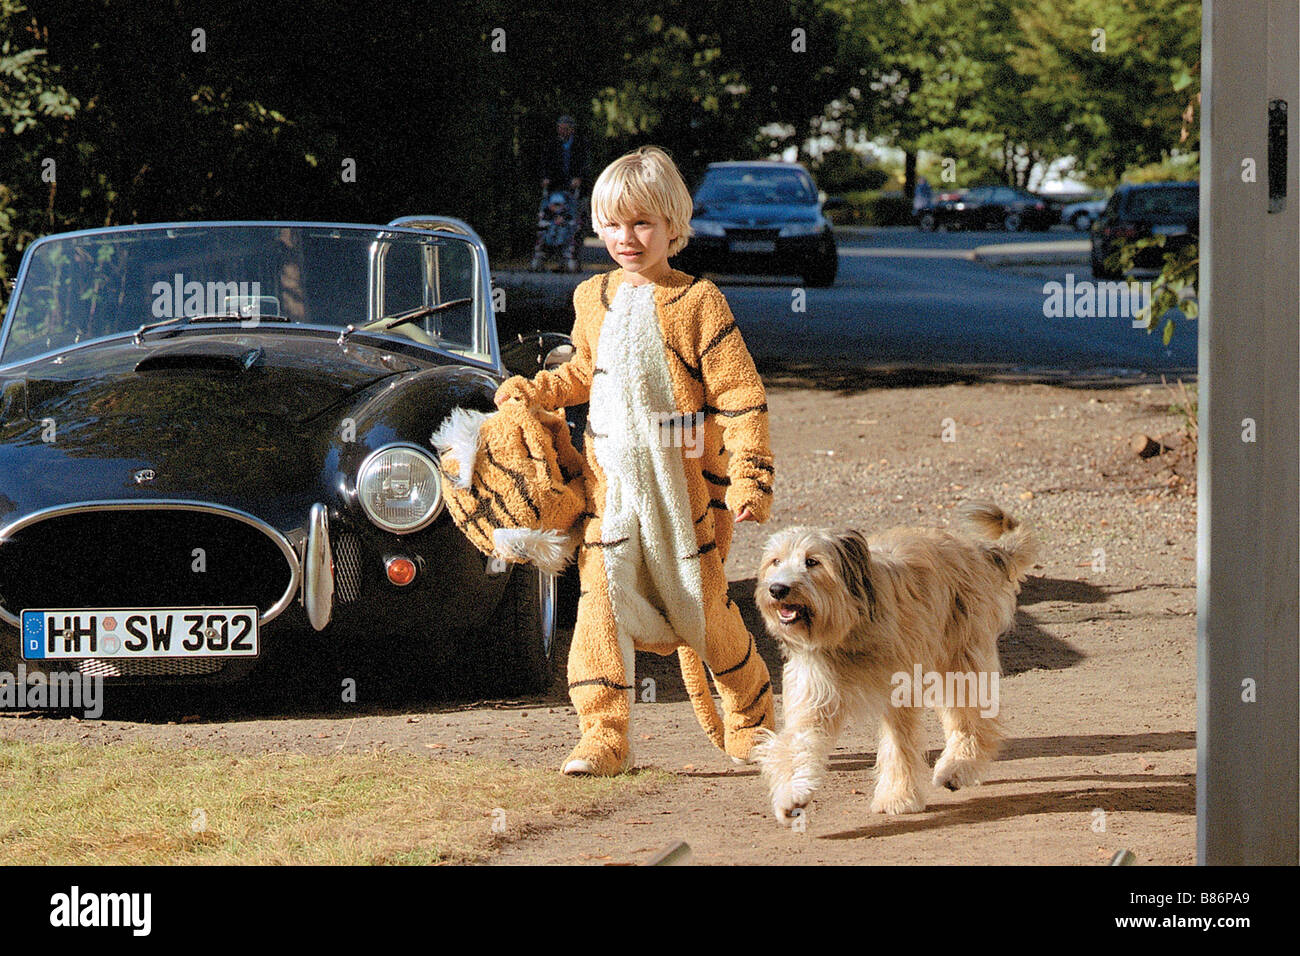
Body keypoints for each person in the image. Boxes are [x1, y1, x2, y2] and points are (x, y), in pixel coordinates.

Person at [495, 145, 776, 776]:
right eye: (615, 224)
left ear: (674, 225)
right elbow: (586, 373)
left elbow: (738, 393)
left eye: (643, 223)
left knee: (704, 615)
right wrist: (536, 388)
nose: (627, 237)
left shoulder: (700, 301)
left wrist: (750, 473)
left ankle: (752, 721)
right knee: (600, 608)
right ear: (597, 226)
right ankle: (603, 736)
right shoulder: (591, 296)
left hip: (683, 496)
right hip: (611, 491)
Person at [532, 116, 589, 272]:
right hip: (555, 189)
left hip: (574, 191)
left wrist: (580, 178)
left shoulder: (580, 145)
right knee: (545, 222)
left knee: (575, 225)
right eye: (560, 128)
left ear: (571, 129)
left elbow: (585, 165)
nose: (562, 131)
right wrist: (545, 178)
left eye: (565, 128)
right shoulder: (551, 145)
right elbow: (545, 163)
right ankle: (541, 256)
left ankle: (572, 258)